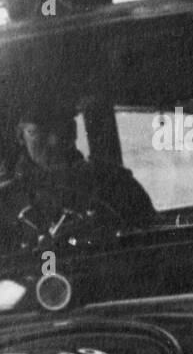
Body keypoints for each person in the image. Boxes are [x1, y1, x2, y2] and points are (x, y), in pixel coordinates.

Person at [0, 98, 154, 249]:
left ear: (73, 131)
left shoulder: (115, 182)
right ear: (20, 136)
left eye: (62, 129)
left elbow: (153, 240)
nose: (55, 140)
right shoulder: (5, 199)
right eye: (41, 131)